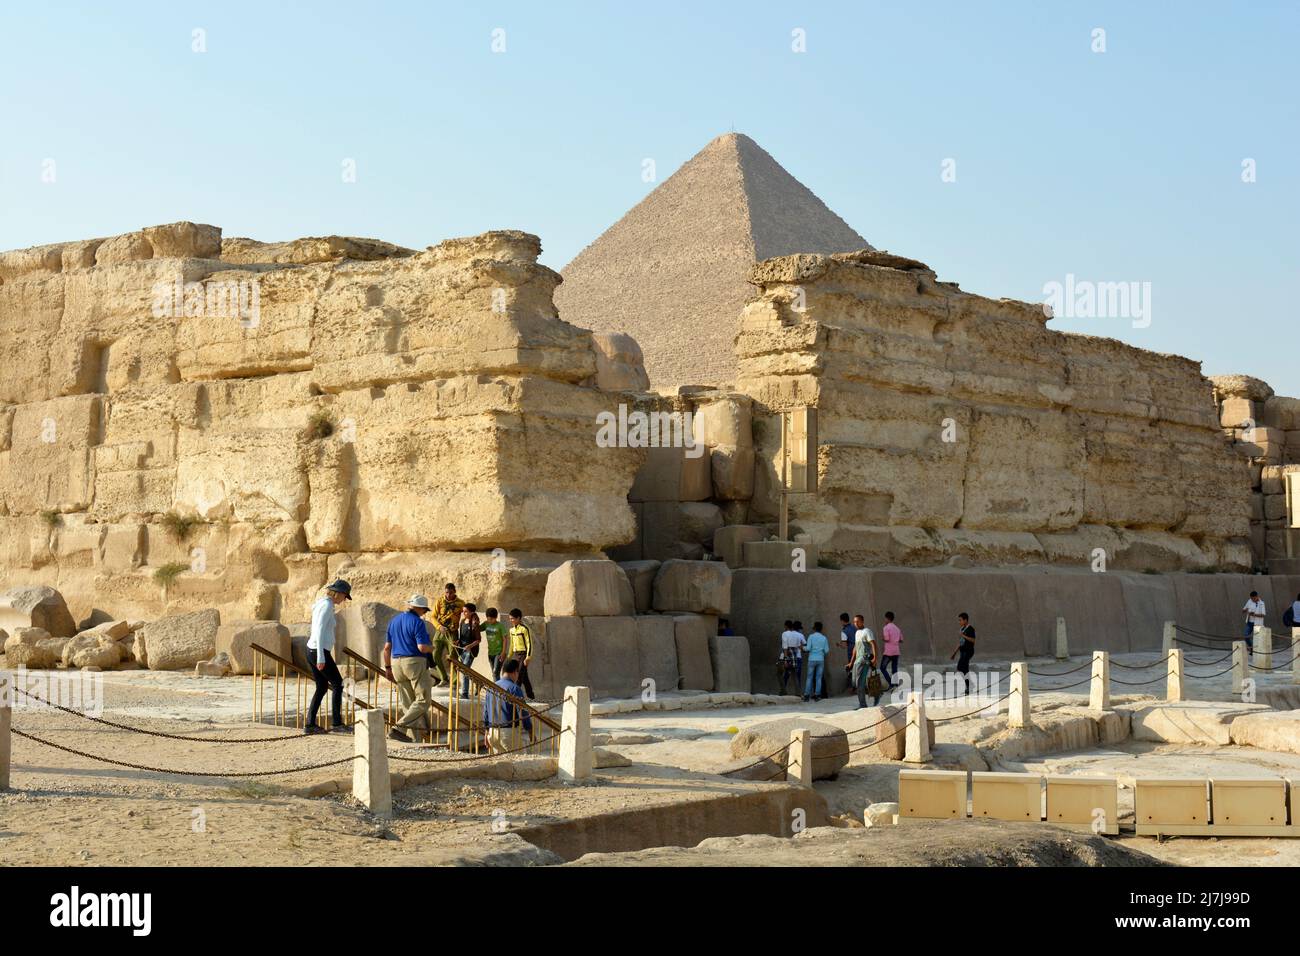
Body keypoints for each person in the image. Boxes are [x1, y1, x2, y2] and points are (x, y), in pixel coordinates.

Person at [383, 594, 435, 741]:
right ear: (419, 608)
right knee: (423, 700)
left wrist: (387, 668)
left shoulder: (393, 621)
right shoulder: (418, 622)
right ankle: (397, 728)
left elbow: (387, 648)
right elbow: (422, 647)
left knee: (408, 704)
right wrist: (433, 648)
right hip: (414, 662)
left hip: (395, 663)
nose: (424, 613)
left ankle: (413, 739)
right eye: (424, 610)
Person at [304, 579, 351, 734]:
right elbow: (319, 630)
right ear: (338, 593)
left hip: (313, 649)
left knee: (322, 686)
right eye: (345, 596)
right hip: (319, 650)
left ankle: (310, 724)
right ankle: (337, 723)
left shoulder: (322, 603)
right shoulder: (327, 605)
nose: (344, 600)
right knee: (338, 684)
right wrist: (321, 658)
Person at [482, 658, 533, 754]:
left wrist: (486, 731)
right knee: (519, 762)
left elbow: (486, 712)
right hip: (508, 733)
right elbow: (523, 711)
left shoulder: (491, 687)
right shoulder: (514, 688)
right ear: (515, 672)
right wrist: (530, 729)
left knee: (501, 765)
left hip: (492, 733)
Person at [431, 582, 464, 687]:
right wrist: (439, 627)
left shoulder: (461, 603)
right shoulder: (439, 601)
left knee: (453, 658)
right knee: (435, 655)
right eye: (446, 592)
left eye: (450, 592)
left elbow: (466, 615)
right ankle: (443, 678)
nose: (448, 595)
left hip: (452, 633)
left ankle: (454, 682)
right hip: (440, 631)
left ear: (454, 591)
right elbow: (432, 617)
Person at [848, 614, 880, 709]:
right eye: (854, 622)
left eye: (857, 621)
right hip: (857, 660)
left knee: (859, 683)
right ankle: (864, 701)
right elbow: (855, 648)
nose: (855, 623)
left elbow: (873, 644)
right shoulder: (857, 633)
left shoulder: (867, 631)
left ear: (862, 621)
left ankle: (863, 704)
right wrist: (851, 662)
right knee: (855, 682)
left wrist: (875, 658)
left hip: (865, 659)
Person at [453, 602, 482, 699]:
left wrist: (469, 646)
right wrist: (457, 642)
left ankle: (464, 693)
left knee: (464, 670)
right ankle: (477, 682)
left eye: (466, 611)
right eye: (463, 611)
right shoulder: (462, 621)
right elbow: (461, 637)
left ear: (471, 612)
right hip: (462, 650)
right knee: (465, 670)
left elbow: (478, 640)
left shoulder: (475, 623)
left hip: (470, 651)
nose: (463, 613)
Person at [506, 609, 535, 700]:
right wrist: (509, 656)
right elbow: (511, 644)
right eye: (510, 619)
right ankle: (531, 696)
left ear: (518, 618)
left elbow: (529, 643)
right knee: (524, 677)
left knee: (518, 675)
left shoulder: (524, 629)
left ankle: (514, 697)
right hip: (516, 654)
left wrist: (528, 657)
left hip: (523, 654)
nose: (511, 620)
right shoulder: (511, 630)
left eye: (513, 618)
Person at [803, 621, 829, 702]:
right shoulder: (824, 638)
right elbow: (827, 650)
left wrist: (801, 648)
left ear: (814, 628)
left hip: (811, 659)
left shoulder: (811, 636)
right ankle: (817, 695)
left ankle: (807, 695)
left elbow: (808, 648)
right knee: (819, 678)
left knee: (809, 677)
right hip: (820, 659)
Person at [778, 620, 805, 696]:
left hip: (787, 655)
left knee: (781, 673)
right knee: (795, 674)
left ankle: (783, 691)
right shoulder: (798, 635)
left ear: (786, 626)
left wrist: (785, 658)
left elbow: (785, 647)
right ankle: (798, 693)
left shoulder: (785, 634)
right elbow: (804, 645)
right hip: (796, 656)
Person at [952, 612, 976, 695]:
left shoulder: (970, 629)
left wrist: (963, 635)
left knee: (962, 668)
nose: (959, 622)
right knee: (961, 668)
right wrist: (954, 652)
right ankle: (969, 686)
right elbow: (960, 642)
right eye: (959, 620)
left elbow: (973, 640)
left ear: (965, 620)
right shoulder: (961, 629)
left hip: (968, 651)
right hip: (962, 651)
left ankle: (969, 687)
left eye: (960, 620)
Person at [481, 607, 508, 681]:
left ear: (495, 617)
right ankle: (496, 689)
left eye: (491, 619)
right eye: (488, 619)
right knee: (494, 673)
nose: (489, 621)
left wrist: (503, 653)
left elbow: (505, 639)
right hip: (490, 653)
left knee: (496, 672)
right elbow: (478, 629)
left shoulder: (500, 626)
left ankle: (497, 692)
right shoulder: (486, 624)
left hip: (499, 653)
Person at [881, 611, 903, 689]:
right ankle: (895, 685)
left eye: (885, 618)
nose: (885, 620)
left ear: (887, 618)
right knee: (894, 669)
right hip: (896, 651)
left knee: (882, 668)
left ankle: (891, 684)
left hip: (888, 652)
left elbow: (887, 639)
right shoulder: (897, 628)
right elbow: (901, 640)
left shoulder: (886, 628)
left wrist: (883, 638)